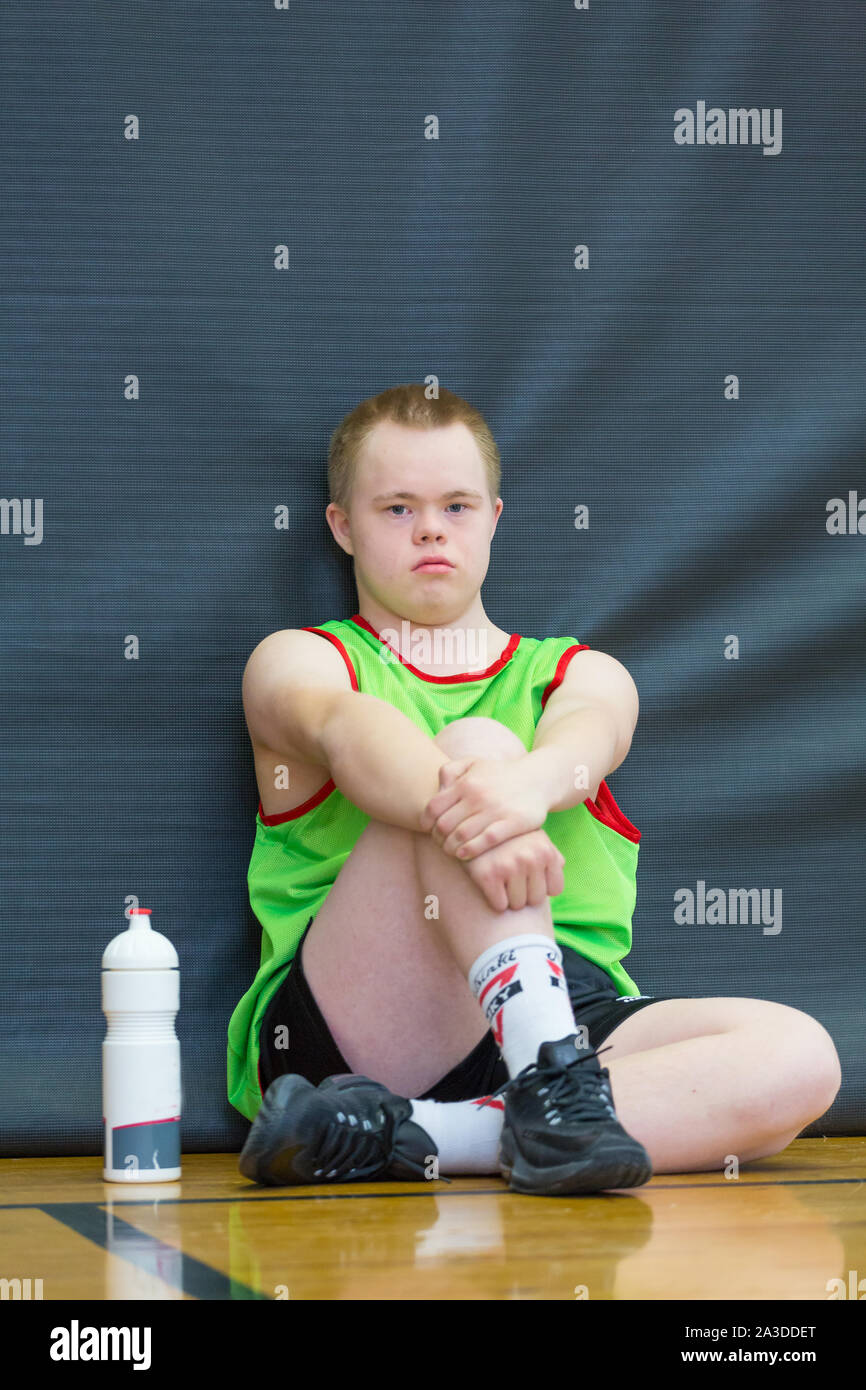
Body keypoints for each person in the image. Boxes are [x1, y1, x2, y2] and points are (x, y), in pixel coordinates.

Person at [228, 383, 841, 1196]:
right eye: (397, 510)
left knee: (802, 1056)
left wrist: (527, 788)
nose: (432, 529)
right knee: (474, 749)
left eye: (456, 505)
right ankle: (547, 1081)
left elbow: (591, 734)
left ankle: (427, 1132)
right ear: (343, 527)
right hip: (361, 1019)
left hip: (567, 1012)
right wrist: (485, 792)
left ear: (494, 517)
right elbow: (349, 732)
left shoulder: (578, 670)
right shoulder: (298, 659)